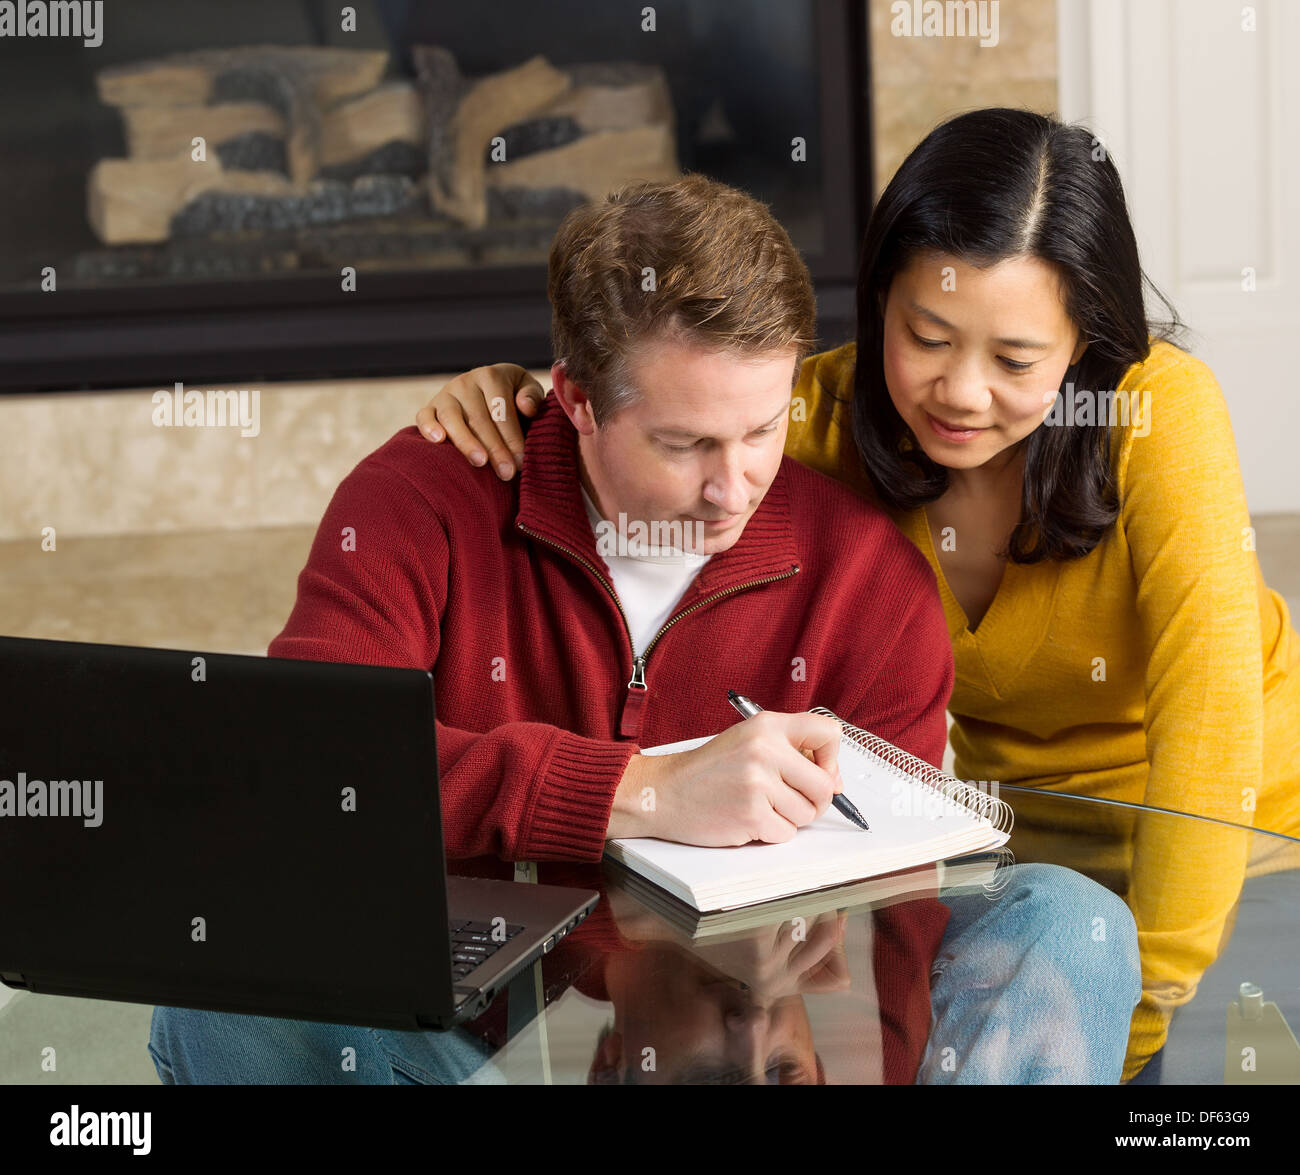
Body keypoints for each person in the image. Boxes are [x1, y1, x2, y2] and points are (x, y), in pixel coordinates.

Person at [149, 171, 1139, 1085]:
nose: (732, 484)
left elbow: (899, 932)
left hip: (752, 1019)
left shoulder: (867, 583)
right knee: (224, 994)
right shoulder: (419, 502)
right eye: (683, 442)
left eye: (761, 430)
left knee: (1069, 917)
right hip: (474, 1026)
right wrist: (637, 788)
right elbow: (304, 772)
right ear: (575, 397)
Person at [412, 108, 1300, 1082]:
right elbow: (657, 419)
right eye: (926, 336)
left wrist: (1138, 1013)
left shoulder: (1157, 417)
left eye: (1013, 361)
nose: (959, 393)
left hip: (1240, 850)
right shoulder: (812, 420)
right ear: (878, 301)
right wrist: (520, 396)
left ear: (1087, 344)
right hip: (1013, 853)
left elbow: (1209, 729)